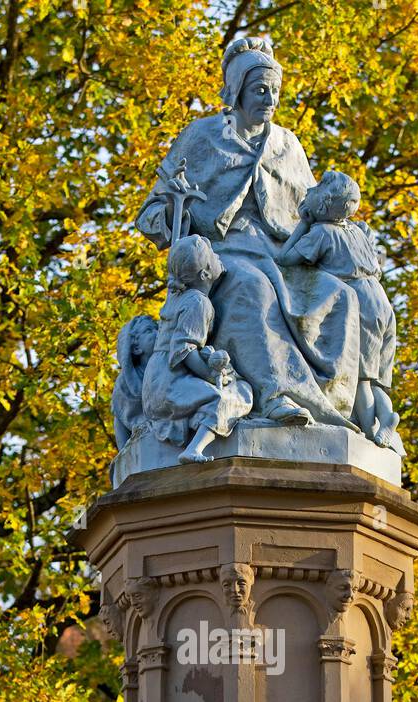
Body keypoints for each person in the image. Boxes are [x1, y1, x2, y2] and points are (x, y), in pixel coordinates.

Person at [136, 36, 361, 430]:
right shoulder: (202, 136)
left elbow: (312, 211)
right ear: (237, 91)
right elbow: (152, 215)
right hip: (224, 254)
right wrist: (175, 213)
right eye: (260, 90)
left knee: (343, 296)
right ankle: (276, 397)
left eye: (275, 91)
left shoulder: (287, 145)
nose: (269, 99)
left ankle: (336, 411)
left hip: (286, 254)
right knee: (251, 288)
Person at [276, 170, 402, 453]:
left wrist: (302, 225)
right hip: (382, 301)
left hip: (361, 304)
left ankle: (370, 433)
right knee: (379, 377)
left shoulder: (322, 233)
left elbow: (285, 259)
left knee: (362, 378)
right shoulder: (357, 231)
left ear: (322, 204)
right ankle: (387, 416)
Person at [141, 234, 253, 462]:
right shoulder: (198, 302)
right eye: (212, 254)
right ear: (204, 274)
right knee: (231, 397)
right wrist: (210, 375)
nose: (218, 254)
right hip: (168, 384)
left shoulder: (176, 296)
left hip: (154, 383)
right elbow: (184, 351)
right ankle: (194, 449)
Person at [111, 314, 157, 449]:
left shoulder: (170, 368)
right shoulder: (124, 383)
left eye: (157, 328)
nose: (157, 332)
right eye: (149, 330)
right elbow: (120, 416)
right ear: (136, 348)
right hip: (142, 445)